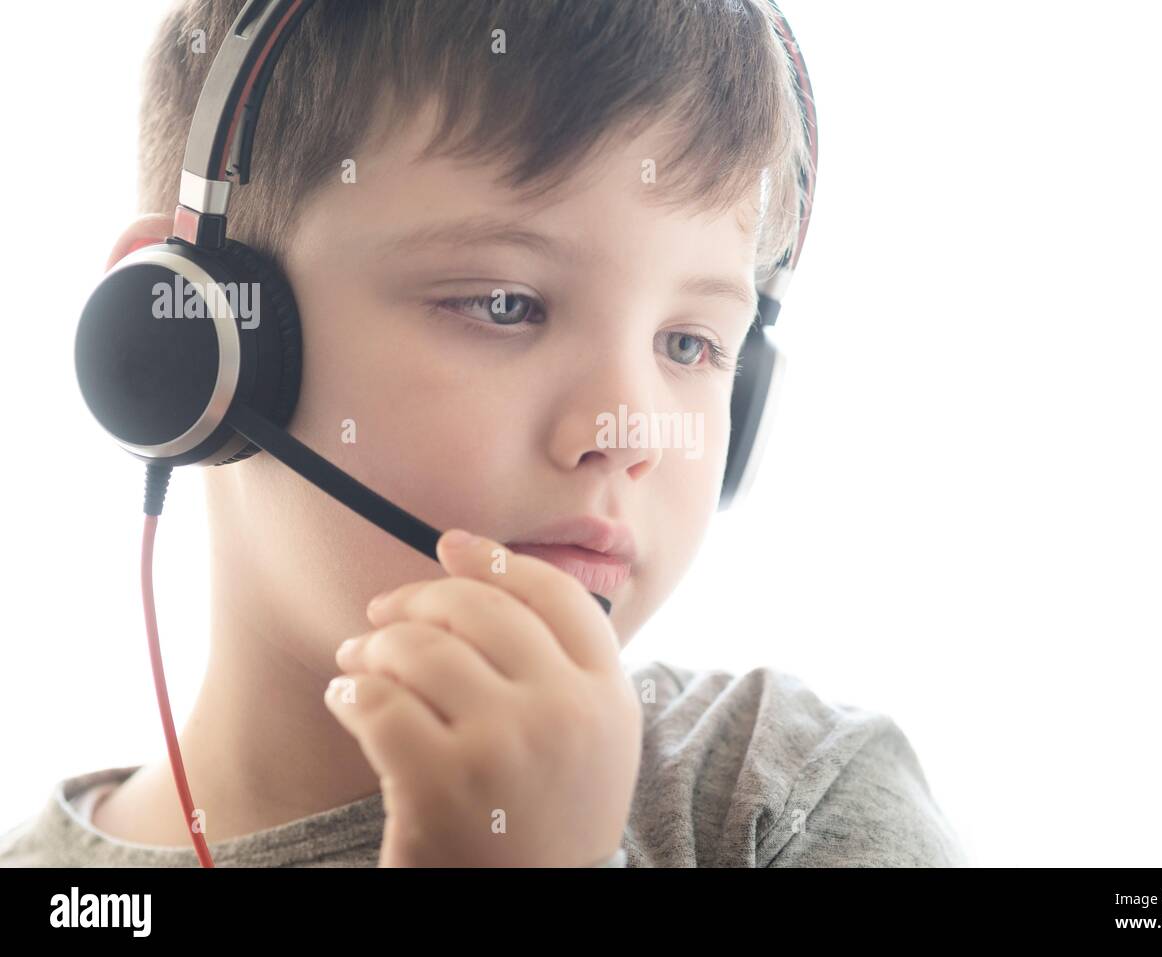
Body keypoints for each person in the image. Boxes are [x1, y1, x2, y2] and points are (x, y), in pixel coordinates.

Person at [0, 0, 966, 867]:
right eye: (506, 304)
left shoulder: (785, 798)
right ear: (182, 331)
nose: (625, 431)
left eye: (690, 342)